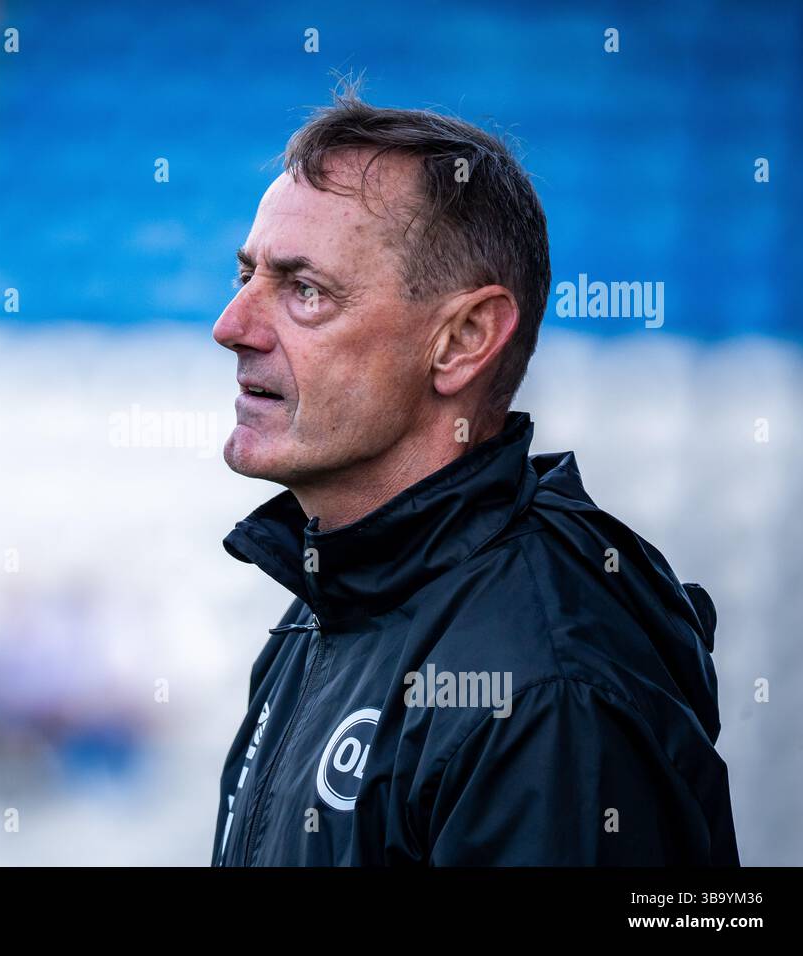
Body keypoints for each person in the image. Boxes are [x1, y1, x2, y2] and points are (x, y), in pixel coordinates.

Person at [209, 88, 740, 866]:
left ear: (462, 339)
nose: (232, 326)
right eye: (245, 275)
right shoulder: (326, 595)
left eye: (305, 291)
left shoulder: (549, 691)